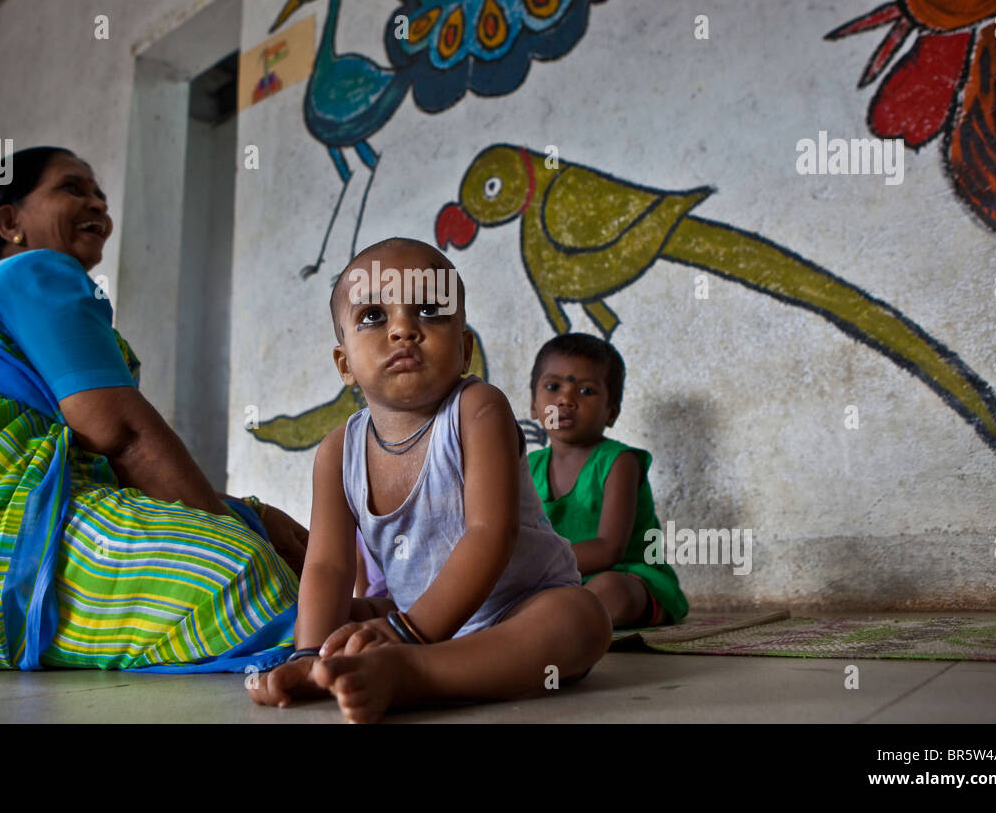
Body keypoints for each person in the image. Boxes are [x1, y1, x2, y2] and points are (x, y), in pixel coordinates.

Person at [0, 147, 304, 671]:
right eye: (73, 189)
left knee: (268, 528)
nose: (98, 205)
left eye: (101, 195)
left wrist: (246, 514)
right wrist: (231, 531)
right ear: (10, 221)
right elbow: (122, 436)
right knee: (240, 567)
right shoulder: (30, 272)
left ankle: (329, 623)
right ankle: (337, 640)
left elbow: (94, 462)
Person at [248, 238, 612, 722]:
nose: (403, 328)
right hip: (409, 615)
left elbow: (490, 533)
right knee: (345, 619)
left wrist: (409, 634)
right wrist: (311, 653)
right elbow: (329, 567)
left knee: (581, 619)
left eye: (429, 310)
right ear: (345, 365)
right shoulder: (337, 452)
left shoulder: (479, 410)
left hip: (517, 610)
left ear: (464, 350)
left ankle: (412, 674)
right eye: (374, 316)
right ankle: (343, 668)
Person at [527, 333, 688, 627]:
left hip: (624, 574)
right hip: (551, 582)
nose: (566, 399)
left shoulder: (618, 462)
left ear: (611, 412)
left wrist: (534, 567)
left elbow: (609, 549)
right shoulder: (525, 468)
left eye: (586, 391)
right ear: (534, 406)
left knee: (610, 592)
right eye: (553, 387)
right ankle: (554, 621)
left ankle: (551, 623)